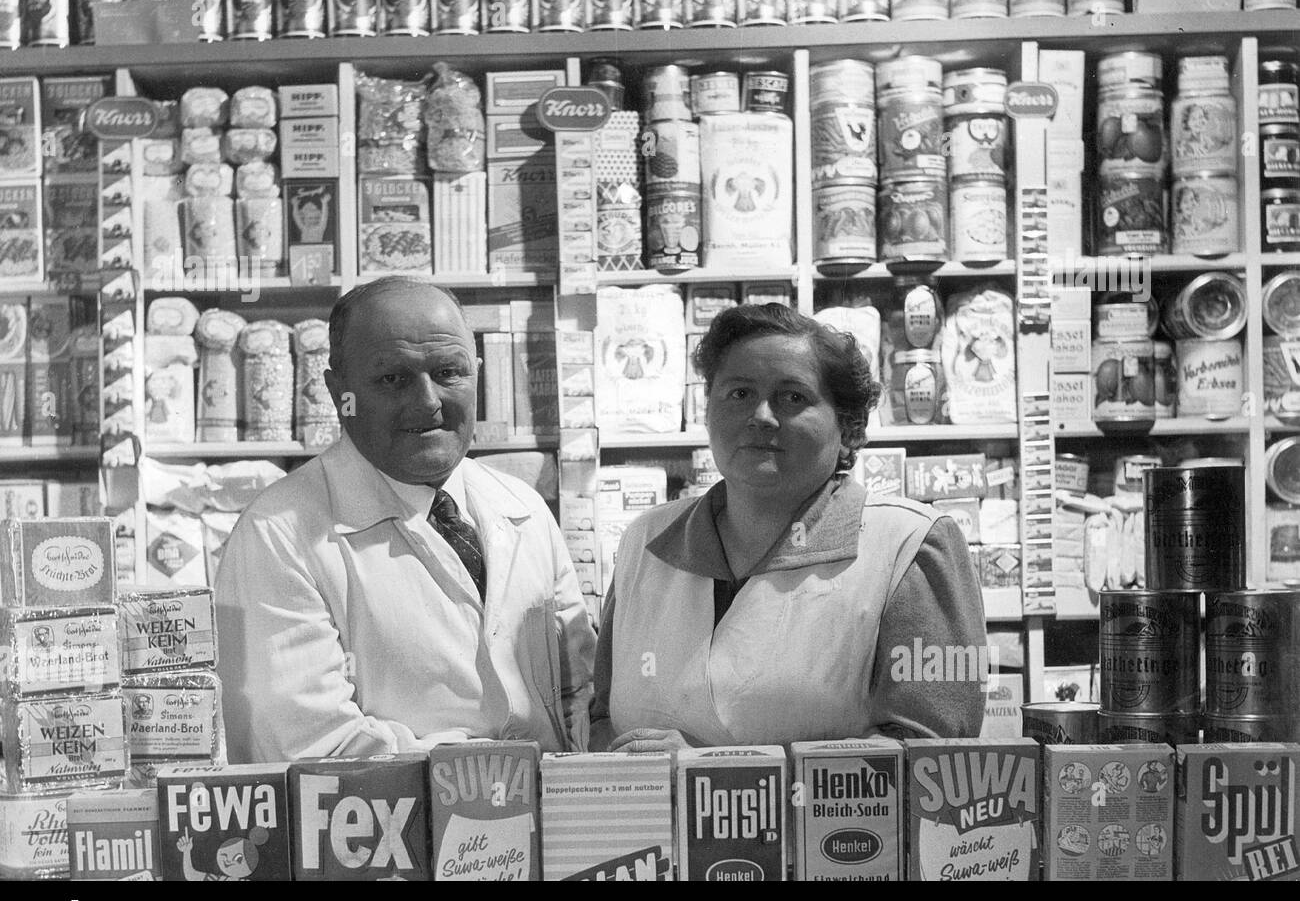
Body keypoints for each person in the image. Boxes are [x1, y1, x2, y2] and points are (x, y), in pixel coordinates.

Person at [215, 278, 595, 761]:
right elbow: (306, 749)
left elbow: (577, 696)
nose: (429, 401)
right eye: (393, 378)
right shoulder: (277, 536)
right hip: (382, 833)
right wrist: (492, 776)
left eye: (449, 371)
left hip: (546, 824)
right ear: (339, 393)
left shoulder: (523, 509)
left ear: (478, 374)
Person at [591, 303, 988, 752]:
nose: (761, 415)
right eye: (739, 393)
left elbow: (932, 761)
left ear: (849, 427)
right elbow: (604, 719)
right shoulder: (645, 541)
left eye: (793, 397)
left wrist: (712, 771)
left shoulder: (910, 546)